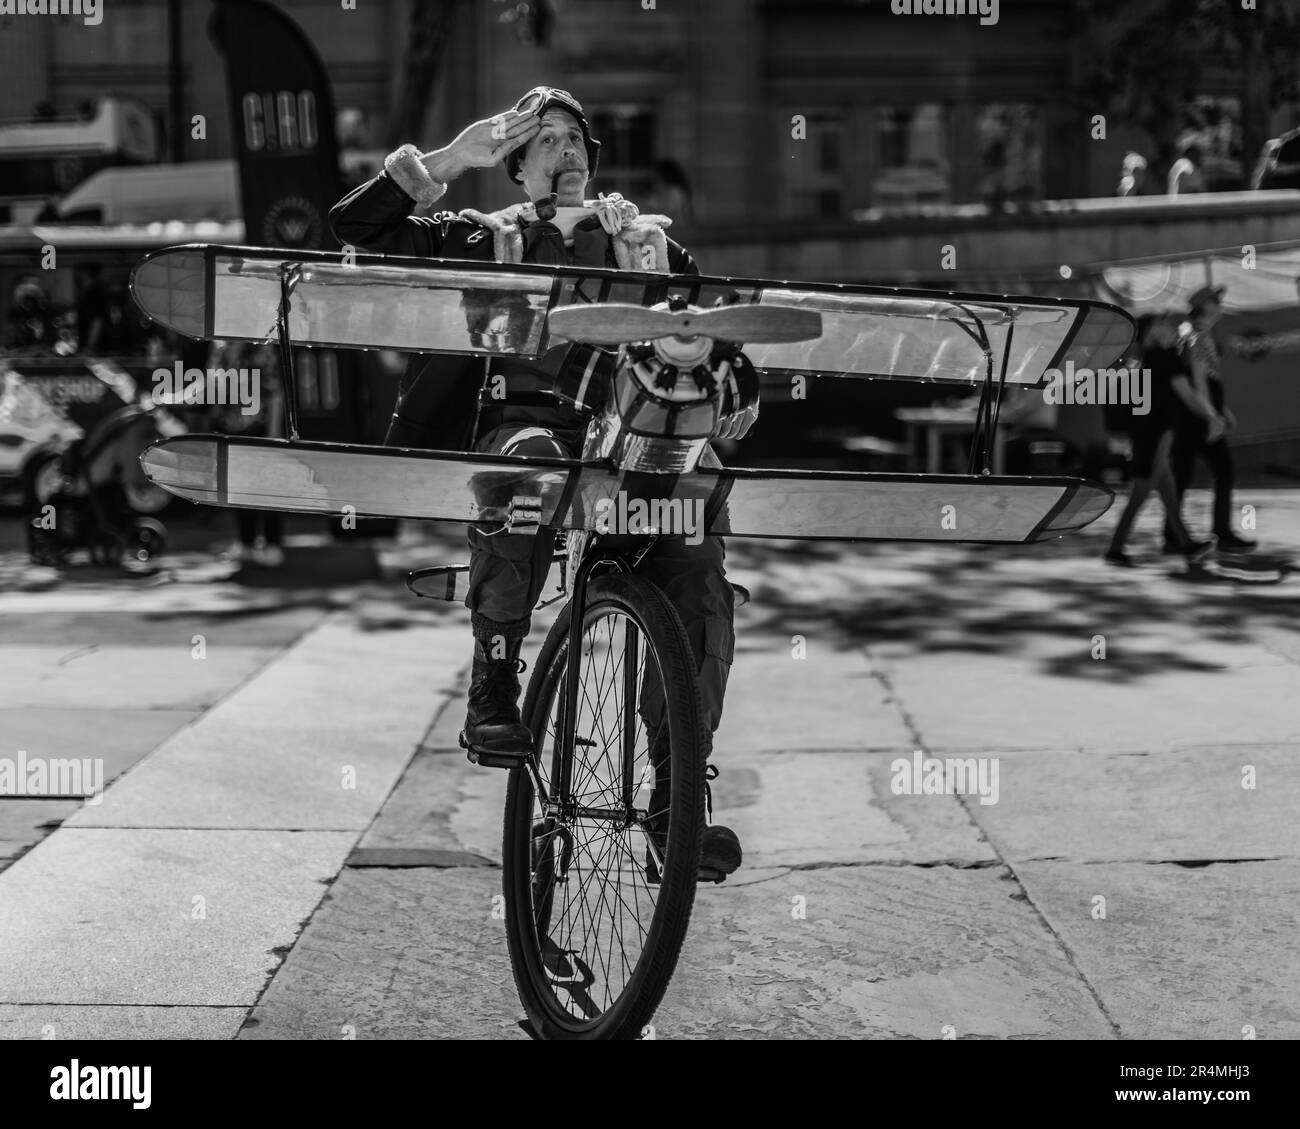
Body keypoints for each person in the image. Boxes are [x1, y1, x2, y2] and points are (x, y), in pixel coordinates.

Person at [329, 86, 745, 881]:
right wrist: (451, 159)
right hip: (528, 433)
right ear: (514, 166)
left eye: (575, 139)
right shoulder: (483, 237)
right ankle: (493, 685)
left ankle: (676, 800)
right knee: (525, 463)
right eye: (543, 140)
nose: (565, 151)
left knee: (697, 546)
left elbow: (712, 346)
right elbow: (353, 231)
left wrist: (669, 295)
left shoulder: (645, 242)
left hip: (627, 443)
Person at [1104, 313, 1216, 566]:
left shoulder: (1144, 358)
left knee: (1167, 492)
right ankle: (1115, 548)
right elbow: (1187, 395)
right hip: (1156, 434)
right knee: (1140, 493)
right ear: (1153, 333)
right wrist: (1212, 416)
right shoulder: (1164, 357)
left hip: (1147, 432)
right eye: (1162, 325)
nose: (1168, 328)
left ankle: (1186, 543)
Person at [1163, 286, 1256, 552]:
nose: (1220, 305)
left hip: (1200, 412)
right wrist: (1212, 415)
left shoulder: (1200, 333)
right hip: (1193, 415)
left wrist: (1222, 410)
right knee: (1193, 473)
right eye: (1215, 301)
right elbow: (1198, 378)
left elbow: (1210, 378)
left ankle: (1177, 534)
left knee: (1191, 473)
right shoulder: (1193, 334)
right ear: (1203, 306)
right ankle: (1202, 533)